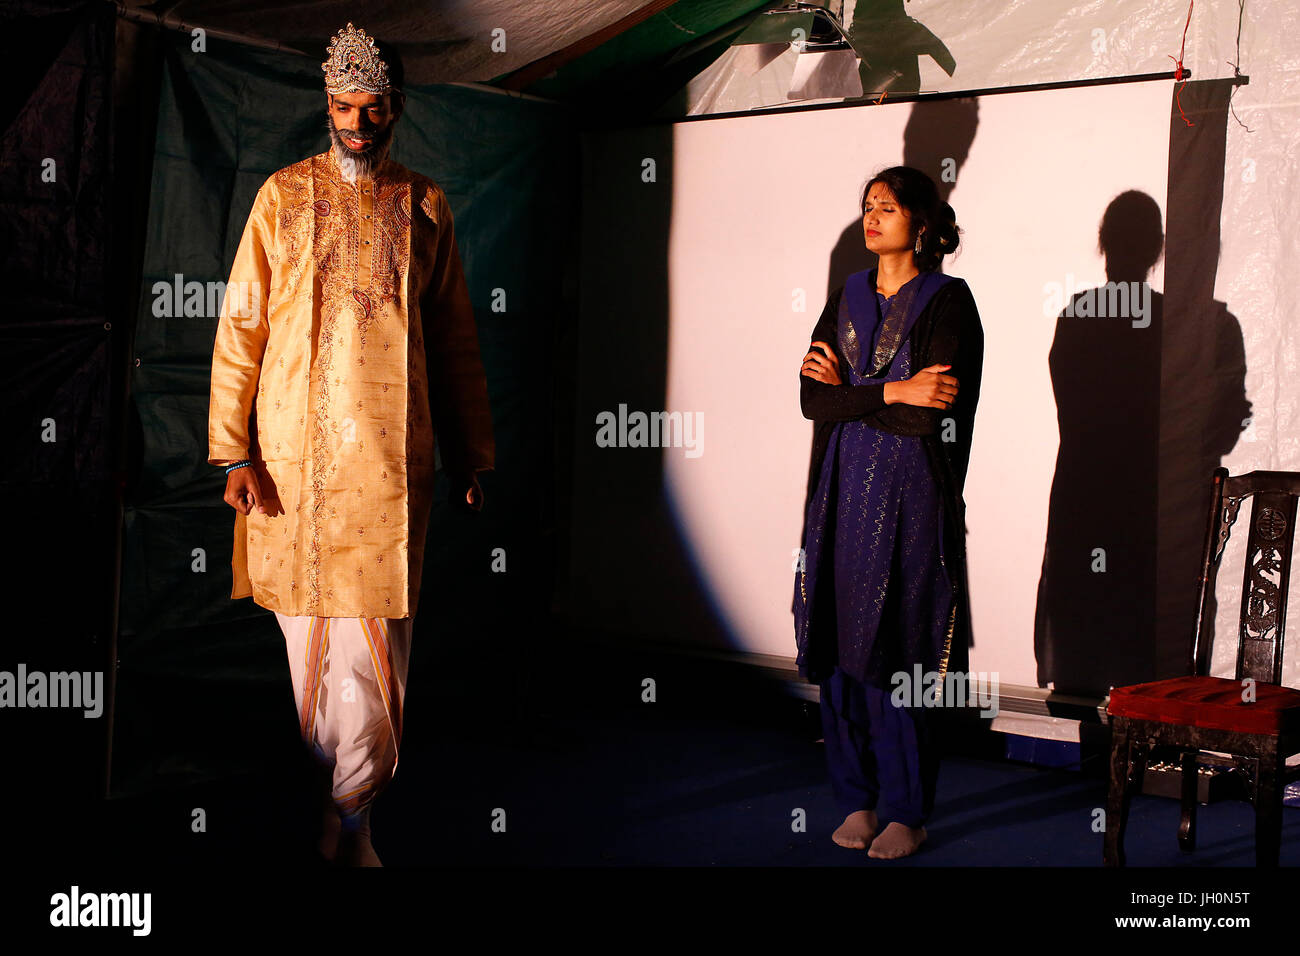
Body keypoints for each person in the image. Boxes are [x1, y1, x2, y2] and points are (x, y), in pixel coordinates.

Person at [206, 22, 494, 865]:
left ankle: (356, 816)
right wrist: (233, 453)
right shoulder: (281, 198)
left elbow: (454, 342)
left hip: (388, 479)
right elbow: (241, 329)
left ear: (396, 110)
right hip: (290, 476)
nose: (356, 125)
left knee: (369, 672)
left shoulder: (425, 205)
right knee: (308, 662)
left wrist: (473, 453)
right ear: (324, 105)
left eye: (372, 110)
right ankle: (334, 798)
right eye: (342, 107)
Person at [793, 166, 983, 859]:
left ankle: (907, 808)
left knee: (900, 643)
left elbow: (929, 420)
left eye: (889, 207)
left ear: (923, 225)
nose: (872, 217)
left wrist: (862, 392)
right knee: (841, 644)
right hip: (840, 490)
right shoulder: (845, 297)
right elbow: (814, 401)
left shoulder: (948, 302)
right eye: (867, 205)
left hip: (912, 494)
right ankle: (857, 798)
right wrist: (895, 387)